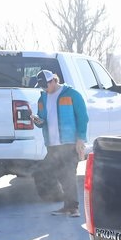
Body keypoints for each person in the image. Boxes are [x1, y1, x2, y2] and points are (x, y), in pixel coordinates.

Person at [33, 69, 88, 217]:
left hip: (69, 142)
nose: (44, 88)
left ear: (54, 81)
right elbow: (42, 119)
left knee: (68, 174)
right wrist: (38, 121)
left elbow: (83, 117)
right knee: (54, 173)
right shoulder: (42, 98)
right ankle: (67, 206)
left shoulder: (72, 94)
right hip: (52, 144)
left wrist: (81, 139)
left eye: (46, 85)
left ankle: (73, 208)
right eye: (42, 86)